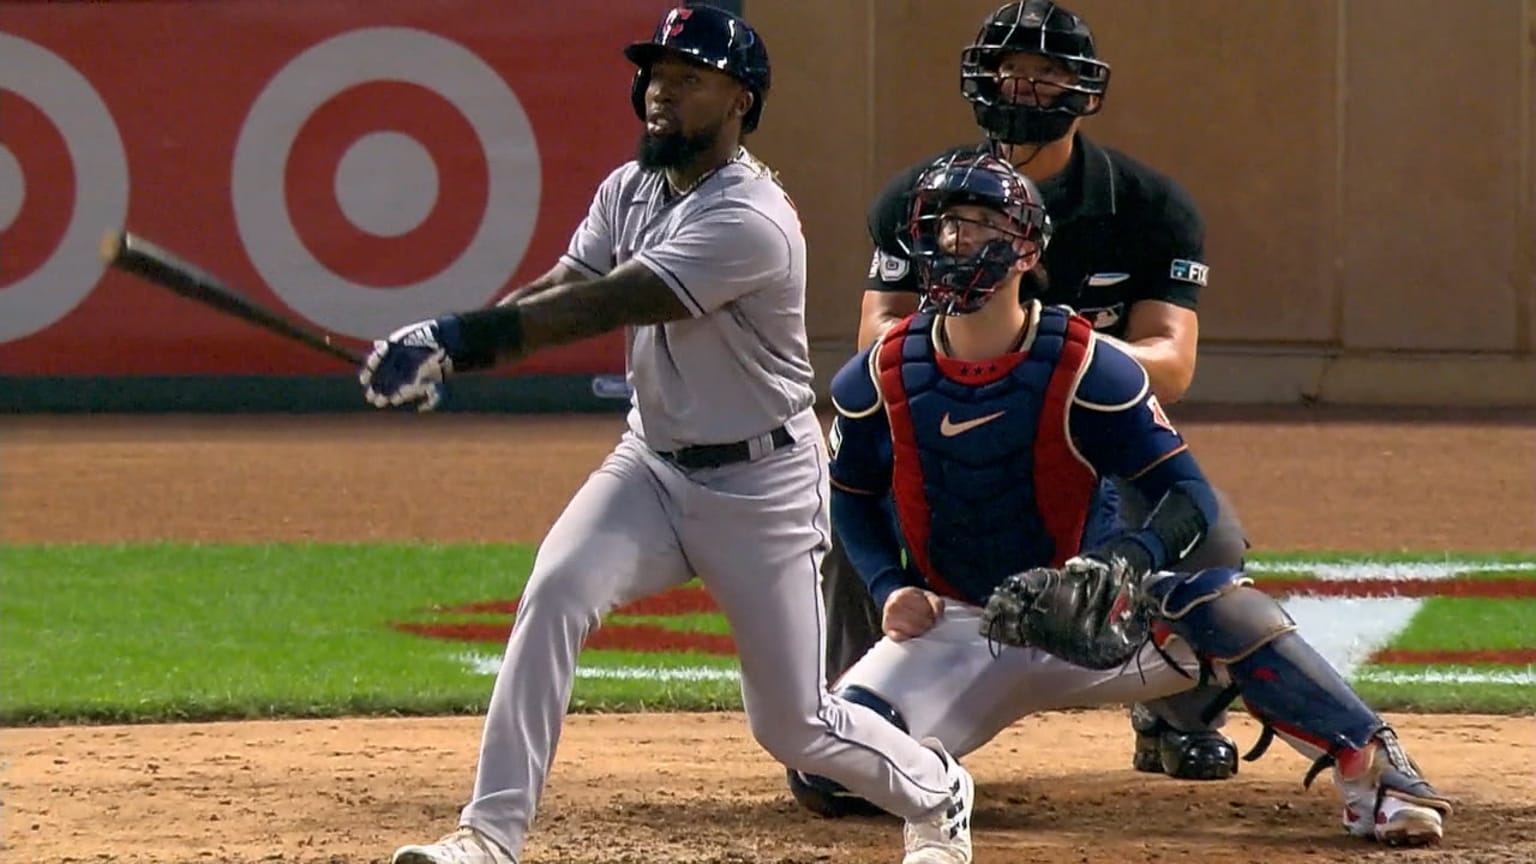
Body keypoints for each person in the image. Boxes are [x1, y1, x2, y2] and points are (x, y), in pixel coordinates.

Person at [360, 6, 977, 864]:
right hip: (650, 466)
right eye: (656, 73)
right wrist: (448, 355)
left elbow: (609, 301)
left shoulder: (751, 221)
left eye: (689, 77)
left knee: (794, 725)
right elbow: (560, 287)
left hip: (763, 485)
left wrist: (455, 336)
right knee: (554, 594)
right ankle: (487, 837)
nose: (660, 90)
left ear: (740, 101)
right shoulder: (630, 188)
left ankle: (938, 793)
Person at [818, 150, 1452, 848]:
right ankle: (938, 783)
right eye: (944, 226)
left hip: (1096, 618)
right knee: (827, 771)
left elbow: (1188, 498)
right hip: (958, 626)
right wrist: (887, 587)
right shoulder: (877, 373)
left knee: (1224, 603)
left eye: (980, 225)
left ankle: (1378, 774)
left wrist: (1122, 561)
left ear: (1028, 248)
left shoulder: (1091, 364)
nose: (957, 242)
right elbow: (850, 498)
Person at [797, 2, 1248, 811]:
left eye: (1049, 73)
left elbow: (1172, 362)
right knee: (848, 512)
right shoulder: (921, 197)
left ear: (1083, 90)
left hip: (1092, 429)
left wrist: (1049, 364)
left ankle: (1173, 717)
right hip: (949, 416)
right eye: (1011, 69)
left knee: (1209, 530)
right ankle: (849, 711)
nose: (1027, 86)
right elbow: (879, 337)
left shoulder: (1150, 206)